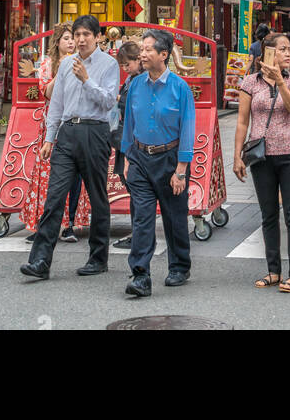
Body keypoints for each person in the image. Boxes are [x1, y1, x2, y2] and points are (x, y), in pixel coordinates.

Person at [20, 15, 119, 282]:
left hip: (95, 132)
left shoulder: (109, 64)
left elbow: (109, 101)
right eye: (77, 34)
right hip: (67, 133)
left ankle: (98, 258)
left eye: (87, 34)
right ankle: (40, 260)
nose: (81, 39)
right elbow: (57, 104)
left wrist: (87, 79)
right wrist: (49, 139)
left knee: (98, 197)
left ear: (98, 37)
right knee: (54, 197)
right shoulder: (65, 66)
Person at [120, 29, 196, 297]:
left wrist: (181, 169)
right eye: (142, 48)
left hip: (169, 159)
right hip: (140, 158)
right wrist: (128, 156)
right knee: (141, 216)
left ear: (164, 55)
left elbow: (187, 128)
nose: (142, 53)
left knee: (174, 215)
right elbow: (129, 122)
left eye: (148, 48)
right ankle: (140, 274)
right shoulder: (136, 85)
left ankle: (179, 265)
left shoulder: (180, 88)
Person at [234, 31, 290, 293]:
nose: (288, 54)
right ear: (268, 52)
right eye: (283, 49)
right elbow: (242, 121)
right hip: (261, 156)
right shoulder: (250, 82)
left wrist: (280, 83)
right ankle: (273, 270)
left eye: (289, 50)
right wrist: (237, 156)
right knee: (268, 215)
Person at [22, 25, 76, 239]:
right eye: (66, 38)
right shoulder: (47, 64)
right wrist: (60, 71)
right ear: (57, 42)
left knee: (74, 175)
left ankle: (69, 222)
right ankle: (45, 223)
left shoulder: (80, 63)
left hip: (74, 121)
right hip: (52, 123)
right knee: (47, 173)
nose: (70, 42)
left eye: (73, 38)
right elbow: (46, 93)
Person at [111, 39, 142, 251]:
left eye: (127, 63)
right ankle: (137, 233)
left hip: (131, 142)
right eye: (122, 65)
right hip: (124, 140)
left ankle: (138, 234)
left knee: (137, 191)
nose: (125, 68)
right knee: (134, 190)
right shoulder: (131, 79)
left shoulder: (139, 81)